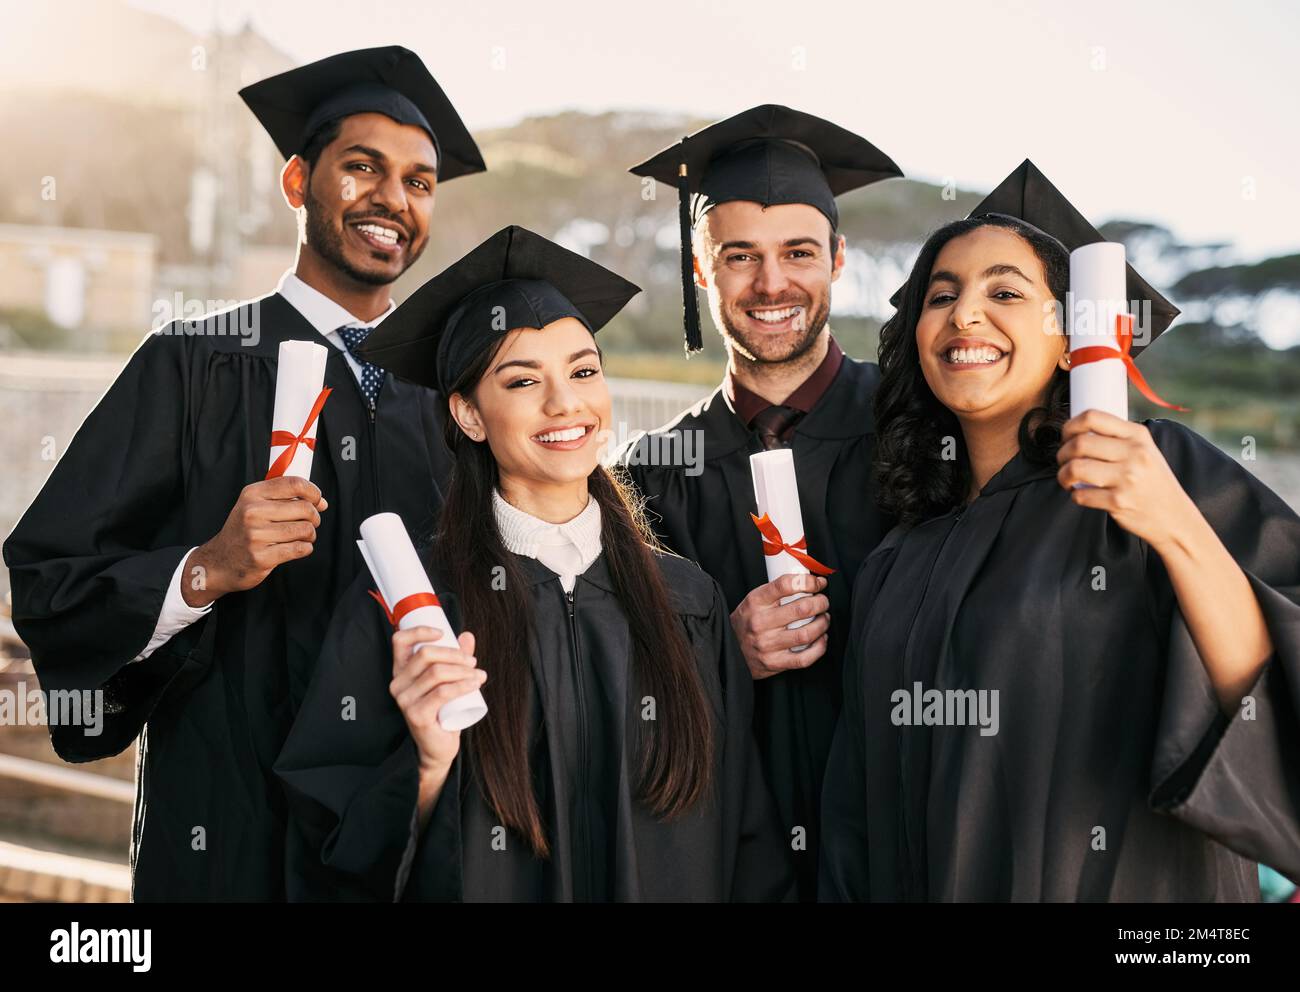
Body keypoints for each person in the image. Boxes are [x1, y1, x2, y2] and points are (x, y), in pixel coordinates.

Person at [1, 46, 484, 900]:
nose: (392, 200)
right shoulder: (191, 364)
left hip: (408, 826)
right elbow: (50, 577)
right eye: (363, 167)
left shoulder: (454, 395)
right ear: (297, 182)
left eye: (418, 182)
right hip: (228, 828)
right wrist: (205, 570)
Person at [819, 161, 1300, 901]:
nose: (966, 315)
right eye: (941, 296)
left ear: (1075, 339)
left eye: (1005, 292)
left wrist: (1174, 527)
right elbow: (857, 806)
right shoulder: (899, 556)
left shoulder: (1159, 473)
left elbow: (1273, 693)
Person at [276, 226, 794, 902]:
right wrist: (428, 765)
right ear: (467, 414)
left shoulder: (685, 602)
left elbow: (743, 838)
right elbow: (327, 851)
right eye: (523, 380)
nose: (565, 404)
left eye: (583, 371)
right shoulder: (410, 613)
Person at [611, 105, 901, 899]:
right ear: (702, 269)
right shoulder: (648, 477)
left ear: (838, 259)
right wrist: (717, 655)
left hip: (906, 849)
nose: (772, 284)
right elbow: (614, 684)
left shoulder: (918, 431)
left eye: (798, 253)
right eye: (740, 256)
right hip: (731, 860)